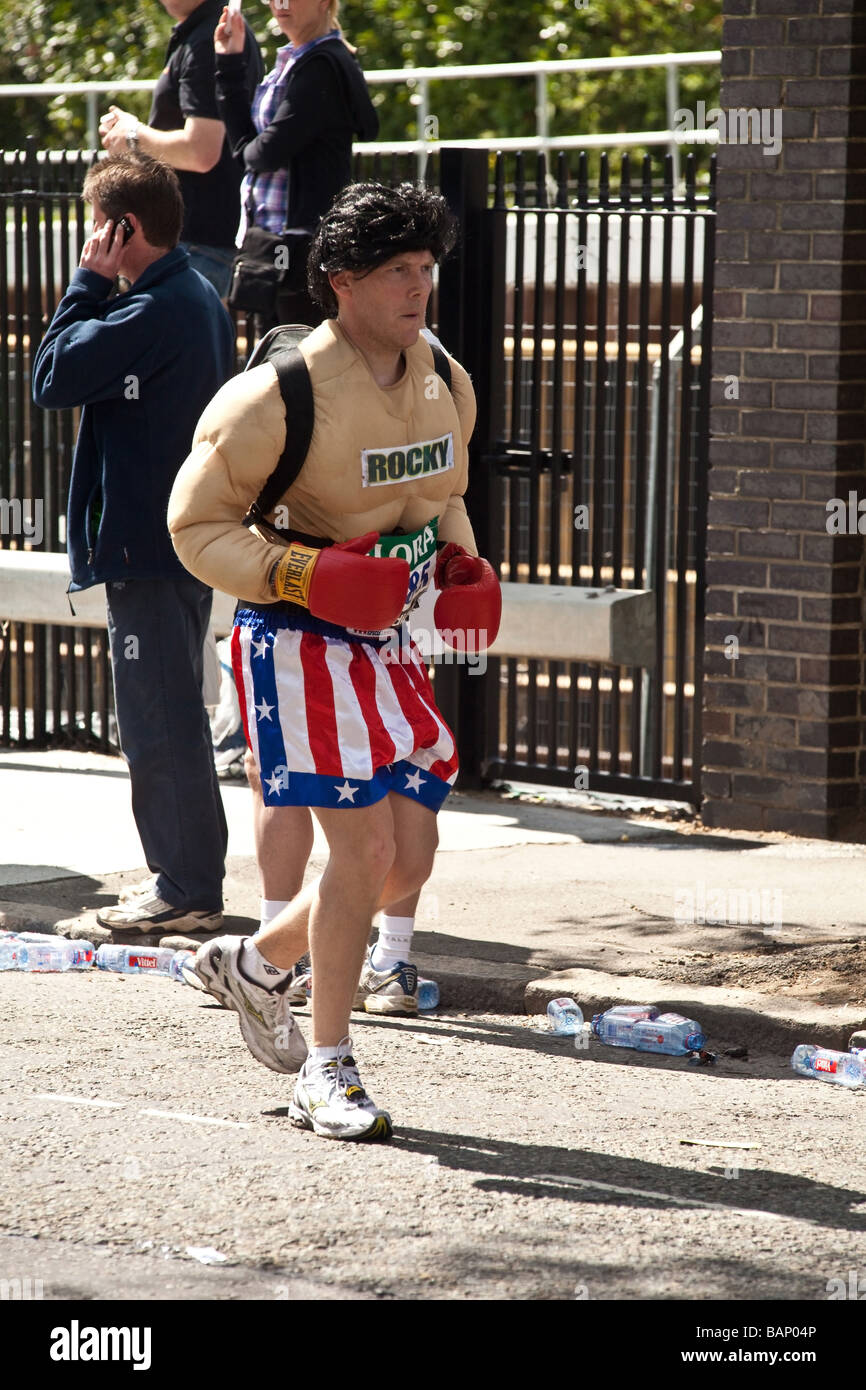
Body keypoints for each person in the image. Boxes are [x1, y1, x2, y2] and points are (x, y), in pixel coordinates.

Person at [168, 181, 501, 1140]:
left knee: (413, 856)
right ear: (340, 283)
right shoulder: (275, 397)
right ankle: (328, 1066)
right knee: (363, 851)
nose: (419, 287)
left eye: (427, 268)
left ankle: (259, 962)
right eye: (398, 270)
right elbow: (192, 528)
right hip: (297, 642)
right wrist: (302, 573)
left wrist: (460, 563)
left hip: (391, 639)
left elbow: (444, 498)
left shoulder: (445, 376)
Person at [32, 154, 235, 934]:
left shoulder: (151, 308)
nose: (91, 240)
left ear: (124, 228)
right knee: (171, 712)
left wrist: (85, 282)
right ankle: (191, 881)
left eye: (98, 226)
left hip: (147, 547)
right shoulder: (191, 295)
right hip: (173, 543)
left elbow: (52, 375)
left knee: (159, 720)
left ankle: (182, 889)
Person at [213, 0, 378, 326]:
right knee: (276, 362)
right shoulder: (292, 59)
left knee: (300, 364)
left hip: (304, 251)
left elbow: (269, 151)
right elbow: (253, 145)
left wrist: (248, 153)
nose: (281, 3)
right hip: (274, 246)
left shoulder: (323, 64)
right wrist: (229, 62)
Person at [99, 0, 263, 297]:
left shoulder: (206, 38)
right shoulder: (204, 32)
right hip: (197, 243)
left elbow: (200, 151)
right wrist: (131, 132)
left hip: (198, 244)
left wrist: (132, 136)